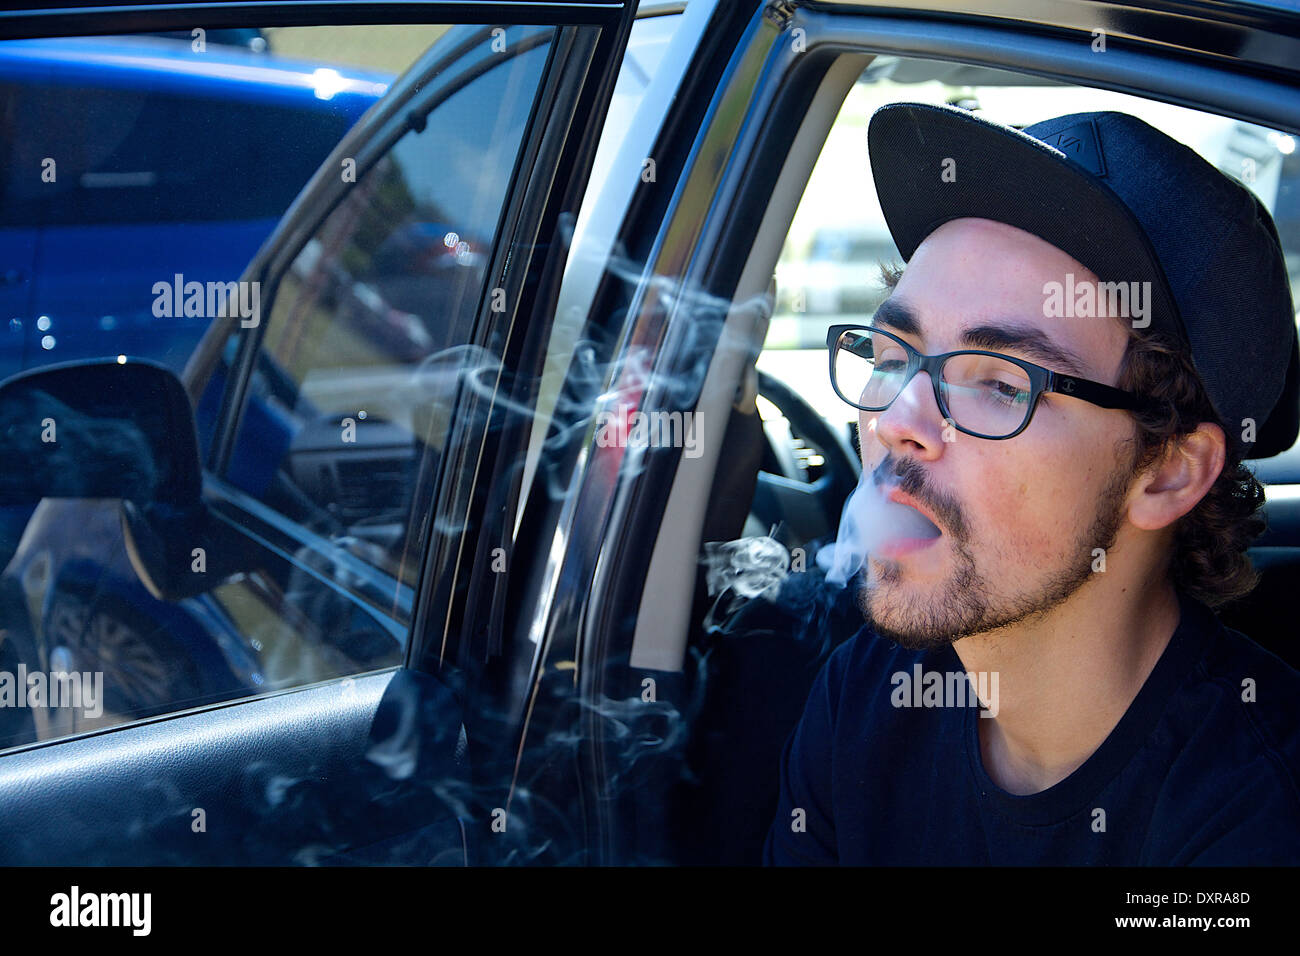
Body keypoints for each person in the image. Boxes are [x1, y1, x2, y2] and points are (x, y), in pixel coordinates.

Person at [764, 103, 1300, 865]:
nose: (897, 419)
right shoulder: (868, 696)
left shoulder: (1255, 817)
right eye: (893, 353)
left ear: (1168, 472)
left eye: (1001, 383)